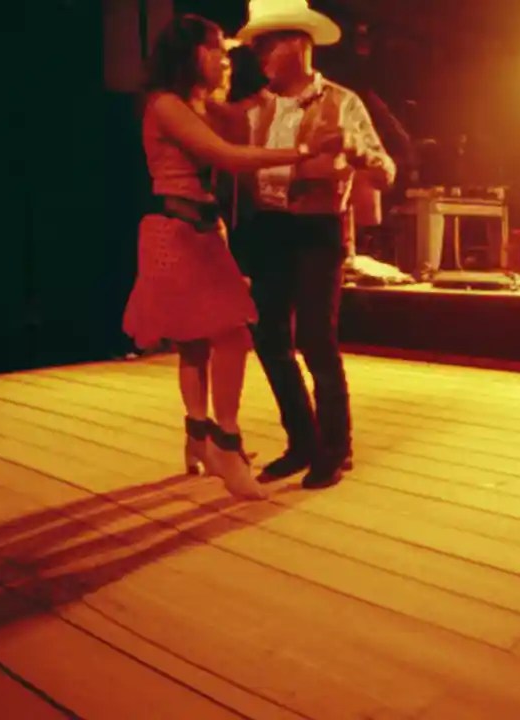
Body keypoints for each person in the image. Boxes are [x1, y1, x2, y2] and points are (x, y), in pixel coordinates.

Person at [121, 13, 341, 500]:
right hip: (175, 232)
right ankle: (225, 441)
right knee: (233, 337)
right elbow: (230, 156)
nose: (225, 58)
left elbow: (243, 127)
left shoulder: (200, 104)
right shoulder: (167, 106)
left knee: (197, 342)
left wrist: (263, 90)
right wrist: (303, 151)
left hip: (201, 231)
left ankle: (198, 438)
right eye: (216, 49)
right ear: (189, 53)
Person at [236, 0, 395, 490]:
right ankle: (303, 441)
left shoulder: (343, 101)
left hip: (316, 230)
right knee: (269, 340)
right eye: (257, 44)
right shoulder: (255, 104)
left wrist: (356, 149)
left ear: (298, 44)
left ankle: (335, 448)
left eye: (268, 42)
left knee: (316, 341)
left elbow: (386, 173)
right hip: (267, 229)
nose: (259, 53)